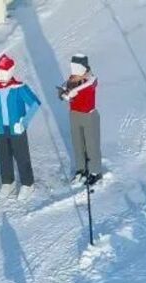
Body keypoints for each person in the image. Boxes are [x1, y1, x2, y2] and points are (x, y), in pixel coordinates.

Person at [0, 54, 42, 200]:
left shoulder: (18, 88)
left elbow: (35, 103)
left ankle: (28, 183)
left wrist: (24, 122)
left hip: (16, 128)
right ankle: (8, 182)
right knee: (4, 155)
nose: (0, 75)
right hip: (0, 128)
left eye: (4, 72)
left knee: (21, 155)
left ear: (11, 71)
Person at [59, 54, 103, 186]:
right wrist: (64, 94)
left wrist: (74, 91)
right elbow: (65, 89)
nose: (73, 70)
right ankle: (81, 169)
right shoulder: (71, 80)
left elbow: (89, 85)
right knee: (77, 143)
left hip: (88, 115)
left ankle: (95, 171)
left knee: (91, 144)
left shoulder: (91, 78)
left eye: (76, 67)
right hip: (74, 114)